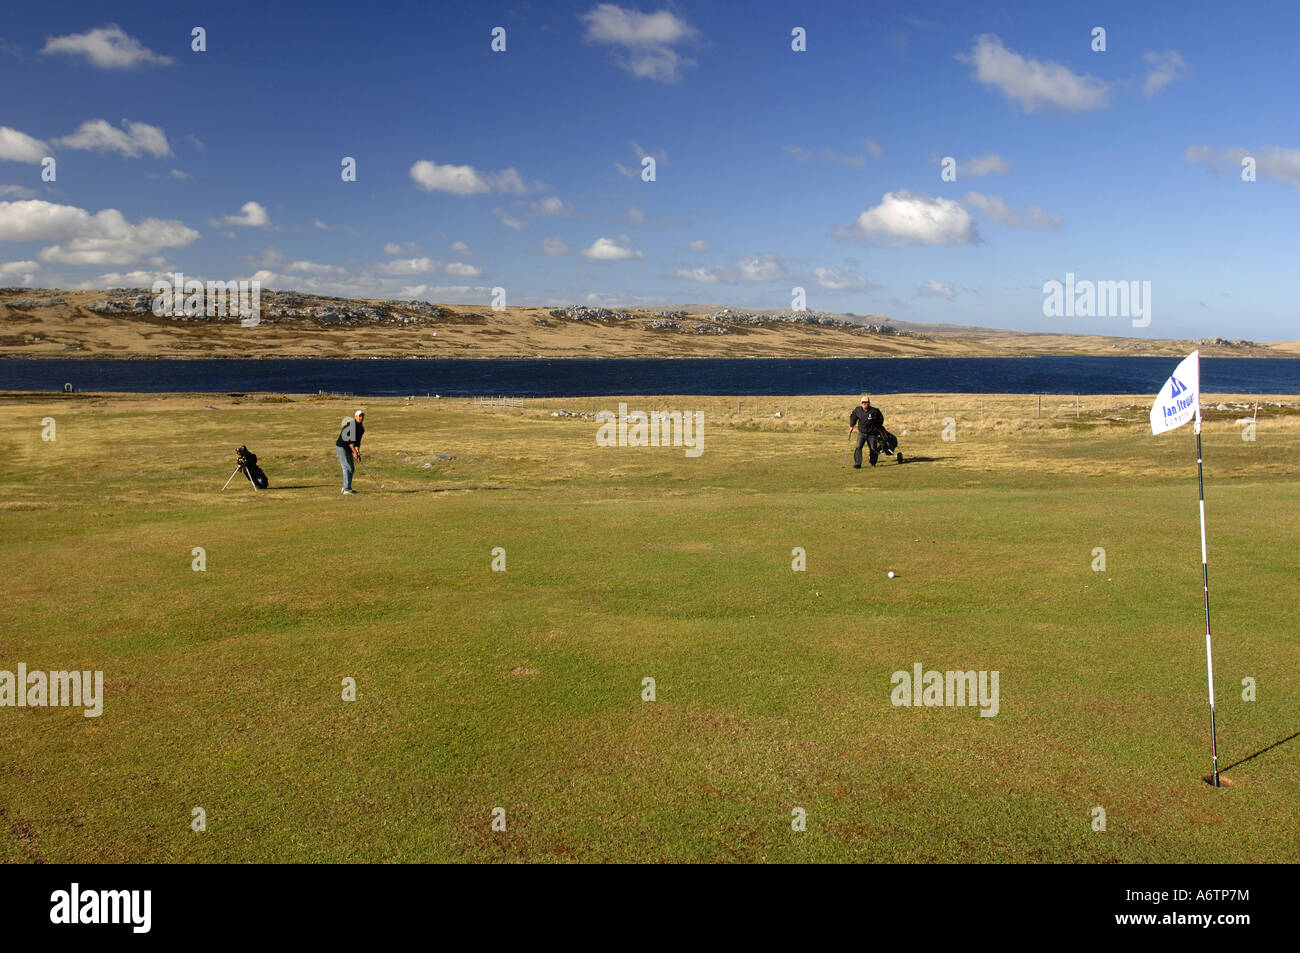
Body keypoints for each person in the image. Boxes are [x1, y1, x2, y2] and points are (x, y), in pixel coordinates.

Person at [848, 395, 885, 468]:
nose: (864, 404)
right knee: (858, 447)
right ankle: (857, 464)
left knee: (873, 448)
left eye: (866, 402)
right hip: (862, 433)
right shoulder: (858, 410)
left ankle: (873, 463)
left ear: (869, 403)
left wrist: (878, 427)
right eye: (863, 402)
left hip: (872, 434)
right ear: (861, 403)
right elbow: (853, 417)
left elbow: (880, 419)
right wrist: (851, 426)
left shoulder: (874, 411)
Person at [336, 409, 365, 494]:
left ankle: (346, 487)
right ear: (355, 417)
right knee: (347, 467)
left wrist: (358, 452)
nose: (361, 417)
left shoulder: (361, 428)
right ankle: (346, 489)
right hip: (342, 446)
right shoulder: (352, 425)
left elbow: (357, 442)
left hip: (349, 447)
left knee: (351, 468)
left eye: (362, 416)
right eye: (359, 416)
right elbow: (350, 442)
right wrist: (355, 453)